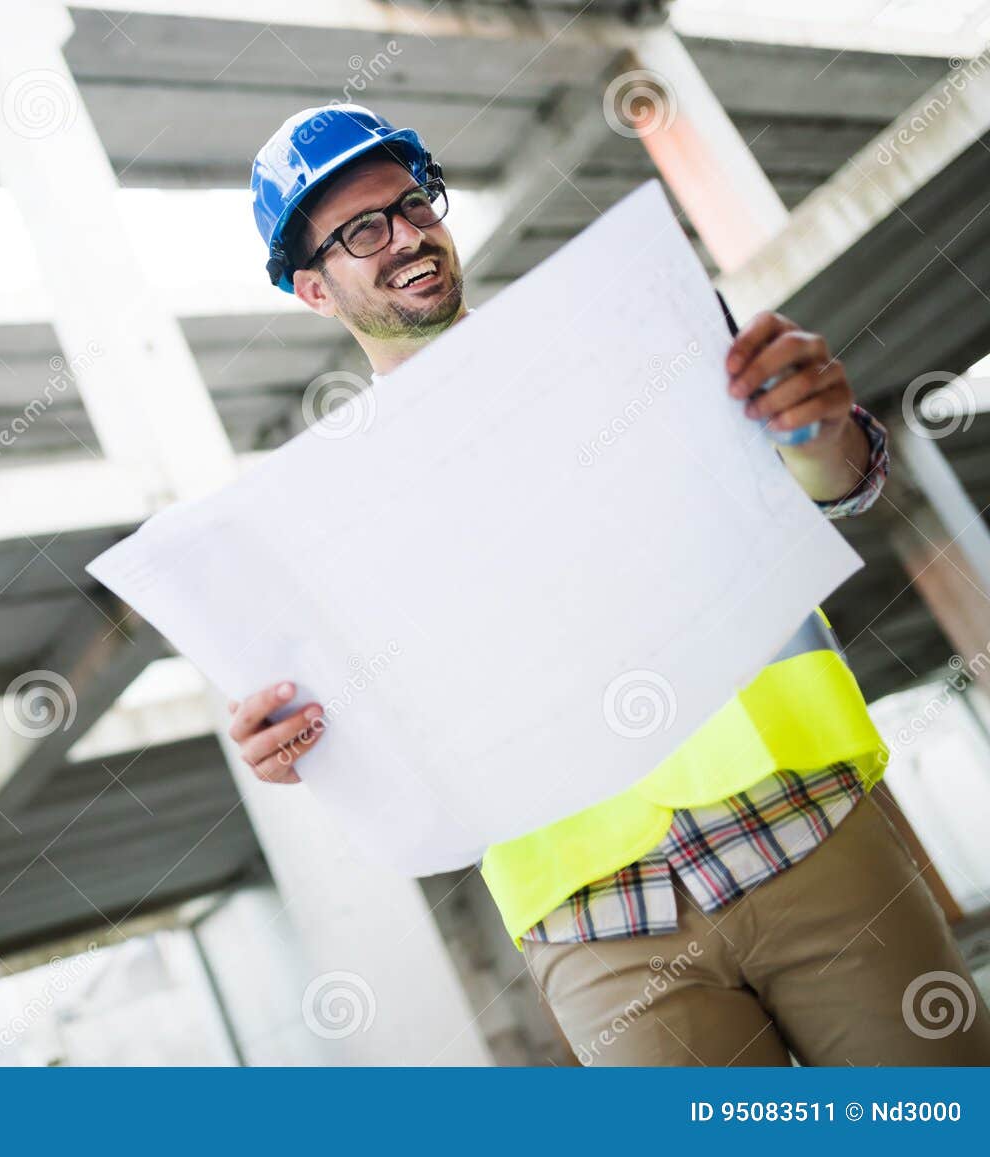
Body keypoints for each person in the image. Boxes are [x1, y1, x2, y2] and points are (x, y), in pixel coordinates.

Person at [231, 104, 990, 1066]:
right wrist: (299, 745)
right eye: (364, 231)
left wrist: (819, 428)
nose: (409, 237)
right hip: (596, 921)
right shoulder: (335, 516)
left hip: (803, 820)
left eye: (415, 204)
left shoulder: (618, 342)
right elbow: (376, 720)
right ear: (312, 288)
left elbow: (837, 488)